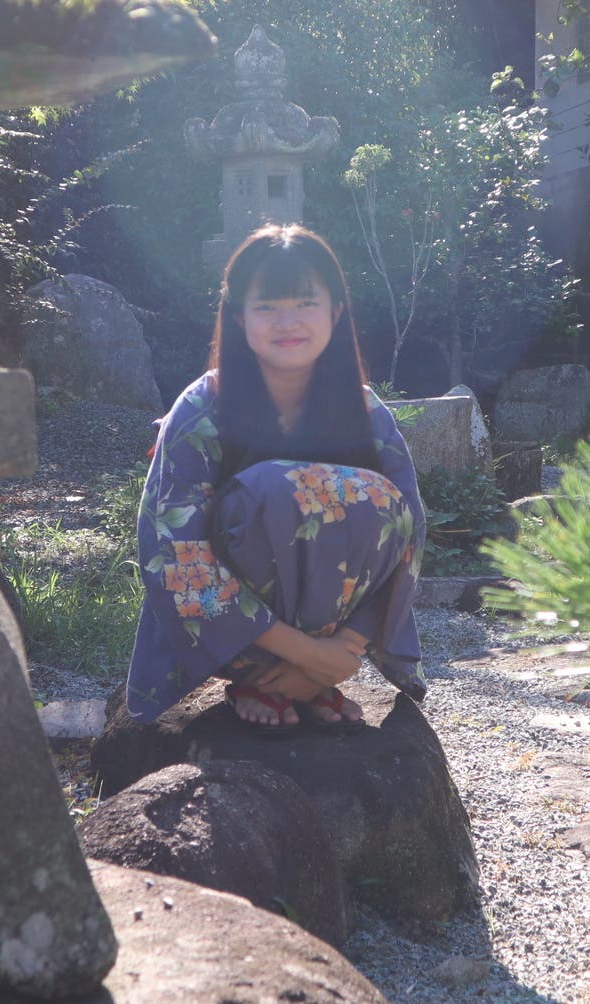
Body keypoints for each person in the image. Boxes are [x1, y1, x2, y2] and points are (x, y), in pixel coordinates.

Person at [124, 224, 426, 729]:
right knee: (272, 492)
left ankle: (309, 685)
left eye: (306, 303)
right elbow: (173, 551)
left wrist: (339, 652)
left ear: (335, 313)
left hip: (333, 640)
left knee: (382, 503)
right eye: (267, 307)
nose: (288, 321)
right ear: (239, 317)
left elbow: (409, 530)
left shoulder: (366, 410)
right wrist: (304, 652)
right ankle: (261, 674)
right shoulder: (201, 409)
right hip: (237, 632)